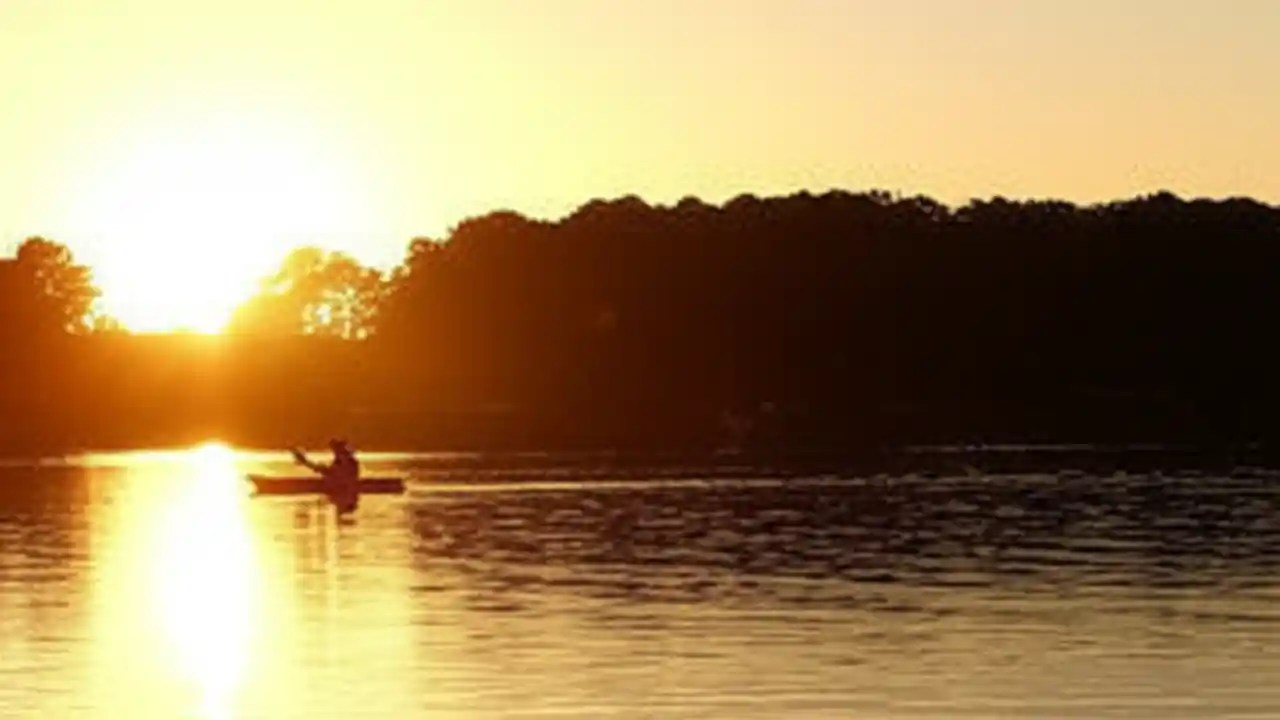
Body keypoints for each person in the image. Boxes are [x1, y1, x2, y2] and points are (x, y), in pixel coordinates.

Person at [292, 439, 361, 513]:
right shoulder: (342, 460)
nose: (334, 452)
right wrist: (306, 462)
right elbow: (328, 471)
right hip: (339, 489)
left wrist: (305, 462)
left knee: (322, 503)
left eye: (336, 450)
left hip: (343, 489)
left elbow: (331, 473)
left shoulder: (348, 461)